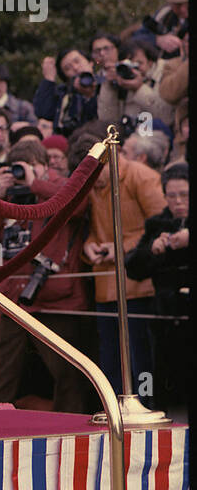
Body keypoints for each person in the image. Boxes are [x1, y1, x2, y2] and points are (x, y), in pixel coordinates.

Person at [0, 137, 93, 412]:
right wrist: (0, 194)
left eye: (28, 167)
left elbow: (78, 206)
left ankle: (70, 429)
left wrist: (35, 185)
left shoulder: (61, 186)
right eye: (17, 168)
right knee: (4, 371)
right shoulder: (12, 193)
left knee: (66, 373)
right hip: (15, 299)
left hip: (55, 297)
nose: (21, 173)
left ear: (42, 166)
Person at [76, 121, 167, 399]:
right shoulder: (92, 185)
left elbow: (160, 226)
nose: (96, 178)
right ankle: (114, 411)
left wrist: (122, 248)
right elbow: (94, 231)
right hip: (106, 286)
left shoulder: (142, 177)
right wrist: (89, 247)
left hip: (138, 285)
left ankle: (146, 408)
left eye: (98, 169)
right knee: (110, 357)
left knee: (140, 357)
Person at [125, 163, 190, 413]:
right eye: (171, 196)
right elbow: (133, 267)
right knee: (166, 390)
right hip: (166, 318)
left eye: (184, 194)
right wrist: (153, 249)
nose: (178, 202)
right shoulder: (157, 224)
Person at [34, 47, 99, 136]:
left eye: (77, 61)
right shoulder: (65, 94)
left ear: (90, 62)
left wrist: (89, 96)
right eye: (68, 68)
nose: (75, 68)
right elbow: (43, 113)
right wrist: (49, 79)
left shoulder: (105, 84)